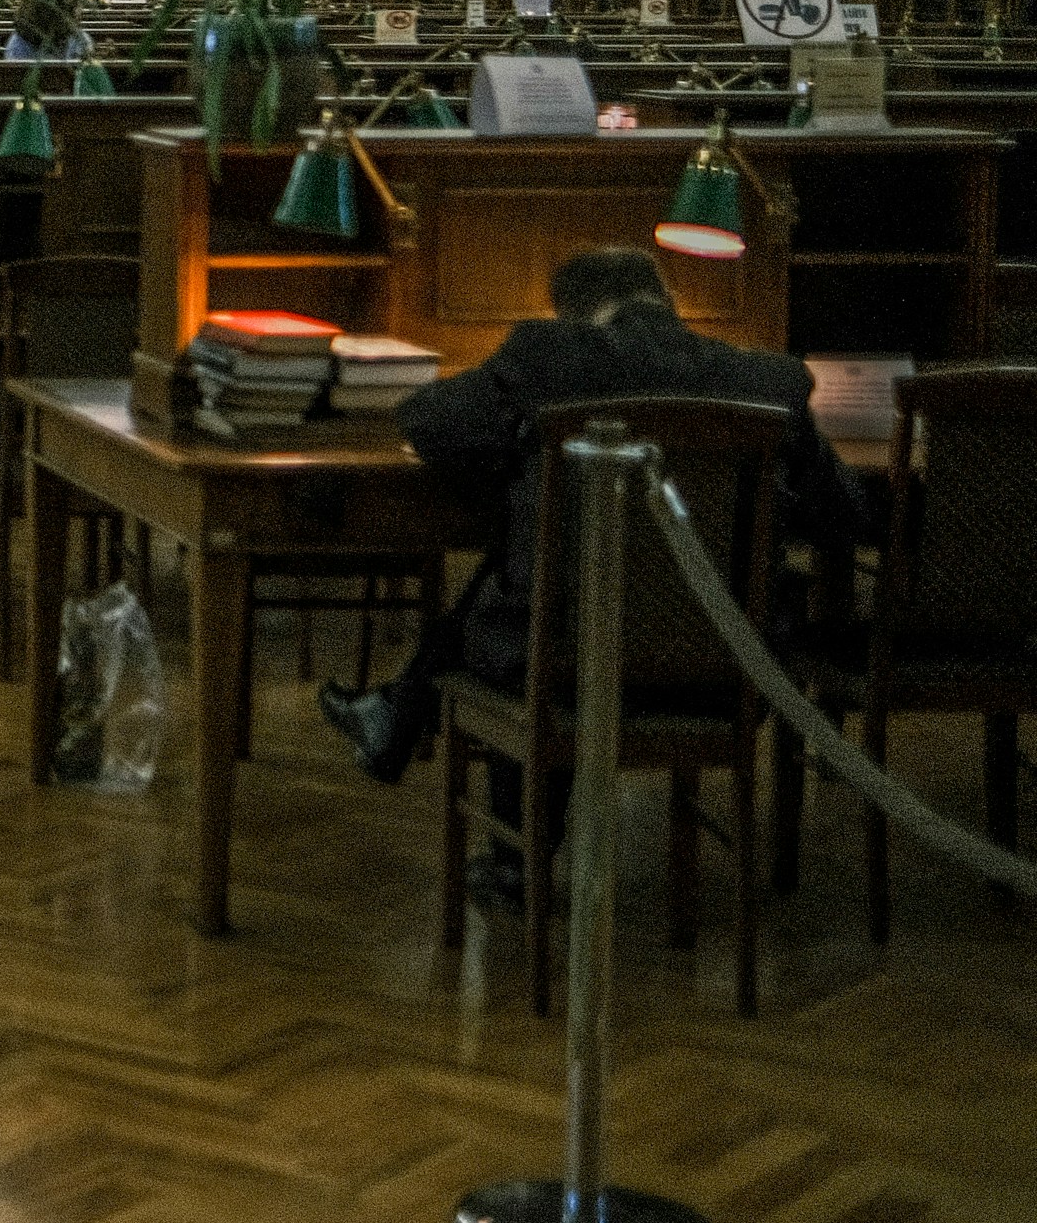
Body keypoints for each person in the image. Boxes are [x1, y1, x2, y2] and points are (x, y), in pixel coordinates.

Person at [318, 247, 862, 919]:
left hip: (565, 661)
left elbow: (428, 423)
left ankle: (516, 858)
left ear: (572, 312)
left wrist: (517, 442)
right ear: (666, 297)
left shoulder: (547, 357)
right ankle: (397, 716)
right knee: (535, 590)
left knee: (536, 603)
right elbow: (845, 513)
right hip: (726, 667)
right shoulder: (767, 380)